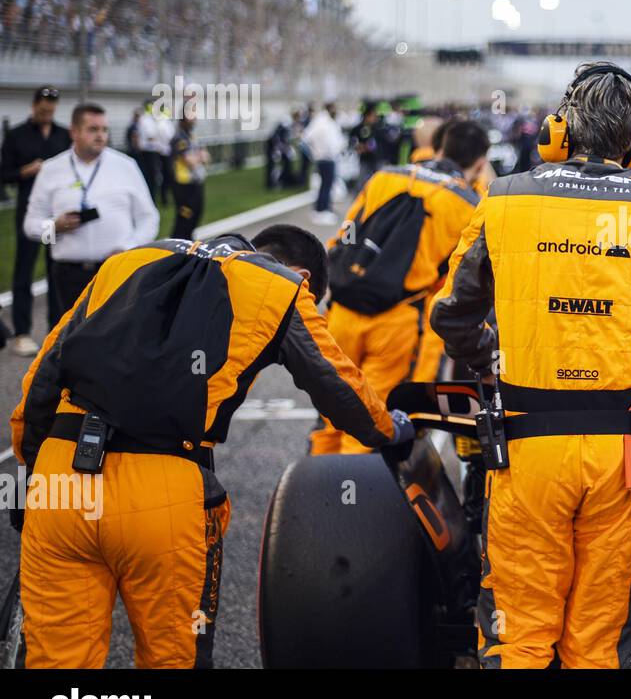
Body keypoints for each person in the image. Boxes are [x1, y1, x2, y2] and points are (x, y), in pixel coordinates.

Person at [10, 225, 414, 667]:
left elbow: (42, 381)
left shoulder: (129, 258)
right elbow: (339, 386)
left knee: (55, 663)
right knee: (173, 658)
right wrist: (391, 431)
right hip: (166, 488)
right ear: (301, 275)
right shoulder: (281, 287)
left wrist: (35, 472)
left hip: (61, 478)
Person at [432, 62, 631, 668]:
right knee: (599, 638)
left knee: (521, 636)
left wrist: (493, 358)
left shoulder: (507, 199)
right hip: (627, 450)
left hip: (526, 446)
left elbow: (452, 317)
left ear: (557, 134)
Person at [310, 120, 489, 454]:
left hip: (342, 311)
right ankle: (350, 501)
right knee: (372, 423)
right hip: (400, 323)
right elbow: (460, 283)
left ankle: (312, 492)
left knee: (331, 415)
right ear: (479, 164)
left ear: (438, 148)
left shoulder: (385, 177)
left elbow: (343, 236)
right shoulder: (470, 204)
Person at [23, 104, 159, 318]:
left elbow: (149, 218)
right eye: (93, 129)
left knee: (117, 338)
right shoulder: (51, 169)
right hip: (69, 274)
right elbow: (30, 225)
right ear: (74, 132)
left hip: (116, 270)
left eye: (104, 129)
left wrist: (128, 247)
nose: (100, 135)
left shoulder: (126, 165)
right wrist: (54, 227)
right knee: (73, 342)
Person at [0, 86, 70, 355]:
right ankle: (22, 332)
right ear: (34, 106)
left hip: (57, 214)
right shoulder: (16, 135)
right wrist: (25, 171)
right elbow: (3, 174)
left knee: (57, 269)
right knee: (24, 270)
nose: (46, 114)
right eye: (42, 109)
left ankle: (57, 328)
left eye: (51, 110)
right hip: (30, 212)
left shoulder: (63, 135)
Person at [170, 100, 209, 240]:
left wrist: (198, 157)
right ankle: (177, 246)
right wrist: (199, 156)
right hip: (183, 185)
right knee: (184, 219)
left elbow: (205, 157)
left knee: (196, 216)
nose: (195, 117)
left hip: (195, 182)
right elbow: (191, 161)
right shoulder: (179, 137)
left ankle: (188, 245)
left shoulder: (191, 135)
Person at [302, 102, 346, 224]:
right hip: (326, 158)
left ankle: (322, 208)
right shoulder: (324, 122)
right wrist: (316, 152)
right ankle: (322, 211)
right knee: (326, 186)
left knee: (325, 185)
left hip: (325, 158)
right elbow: (307, 138)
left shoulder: (322, 121)